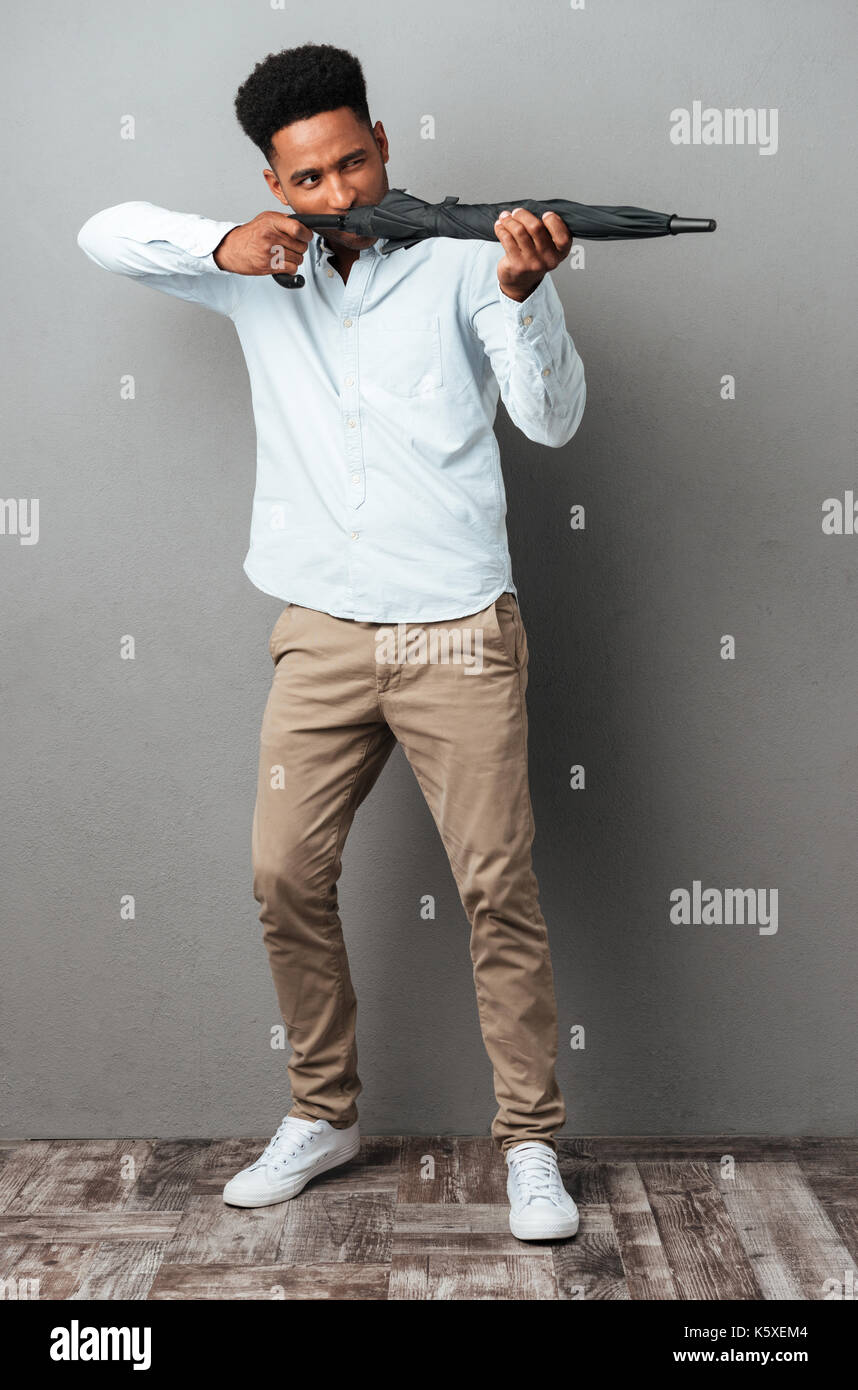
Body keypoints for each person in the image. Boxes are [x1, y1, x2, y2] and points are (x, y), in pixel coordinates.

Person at [77, 42, 586, 1242]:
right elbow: (103, 228)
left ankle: (529, 1145)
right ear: (276, 179)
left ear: (385, 145)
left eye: (354, 162)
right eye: (309, 179)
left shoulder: (475, 257)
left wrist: (525, 298)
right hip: (320, 630)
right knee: (281, 873)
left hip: (459, 625)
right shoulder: (261, 268)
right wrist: (223, 244)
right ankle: (324, 1111)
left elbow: (552, 423)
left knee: (497, 888)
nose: (340, 194)